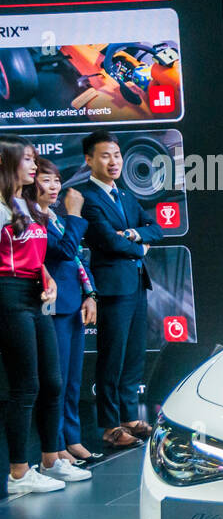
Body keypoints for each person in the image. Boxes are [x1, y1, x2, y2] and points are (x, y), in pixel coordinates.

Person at [79, 130, 161, 449]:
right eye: (105, 155)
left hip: (136, 283)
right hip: (112, 287)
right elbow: (107, 241)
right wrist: (139, 246)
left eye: (116, 155)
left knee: (134, 353)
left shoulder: (125, 194)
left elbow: (155, 228)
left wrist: (132, 234)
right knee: (112, 357)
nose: (113, 161)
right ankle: (110, 426)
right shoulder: (87, 198)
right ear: (89, 160)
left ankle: (129, 417)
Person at [0, 138, 71, 495]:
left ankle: (50, 460)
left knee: (52, 382)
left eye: (34, 159)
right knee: (25, 385)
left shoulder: (28, 205)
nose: (34, 166)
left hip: (38, 294)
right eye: (27, 159)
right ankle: (18, 474)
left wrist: (49, 279)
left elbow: (37, 256)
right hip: (9, 293)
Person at [29, 157, 101, 467]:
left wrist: (90, 294)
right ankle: (55, 445)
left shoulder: (55, 218)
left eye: (57, 180)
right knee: (55, 382)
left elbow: (79, 259)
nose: (54, 186)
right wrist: (74, 213)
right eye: (45, 180)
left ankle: (72, 439)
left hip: (73, 304)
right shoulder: (31, 220)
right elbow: (65, 251)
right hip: (51, 308)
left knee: (72, 381)